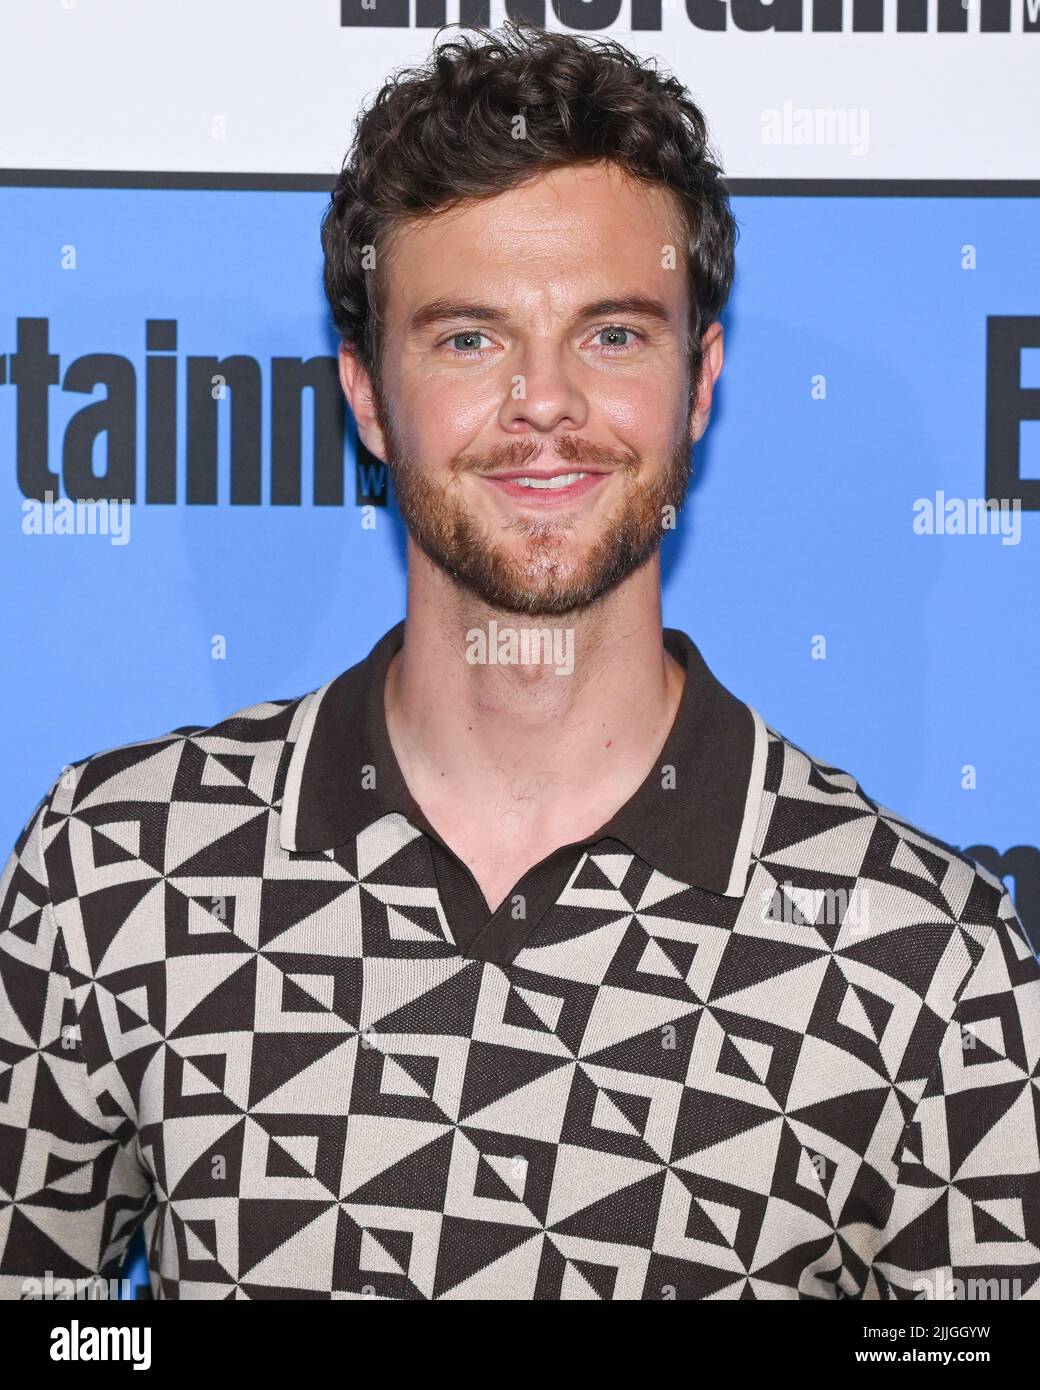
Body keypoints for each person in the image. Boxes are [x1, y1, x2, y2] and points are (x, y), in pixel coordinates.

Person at [2, 20, 1038, 1302]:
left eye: (610, 334)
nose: (542, 403)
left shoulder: (923, 958)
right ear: (368, 398)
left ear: (697, 382)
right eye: (468, 338)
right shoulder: (118, 867)